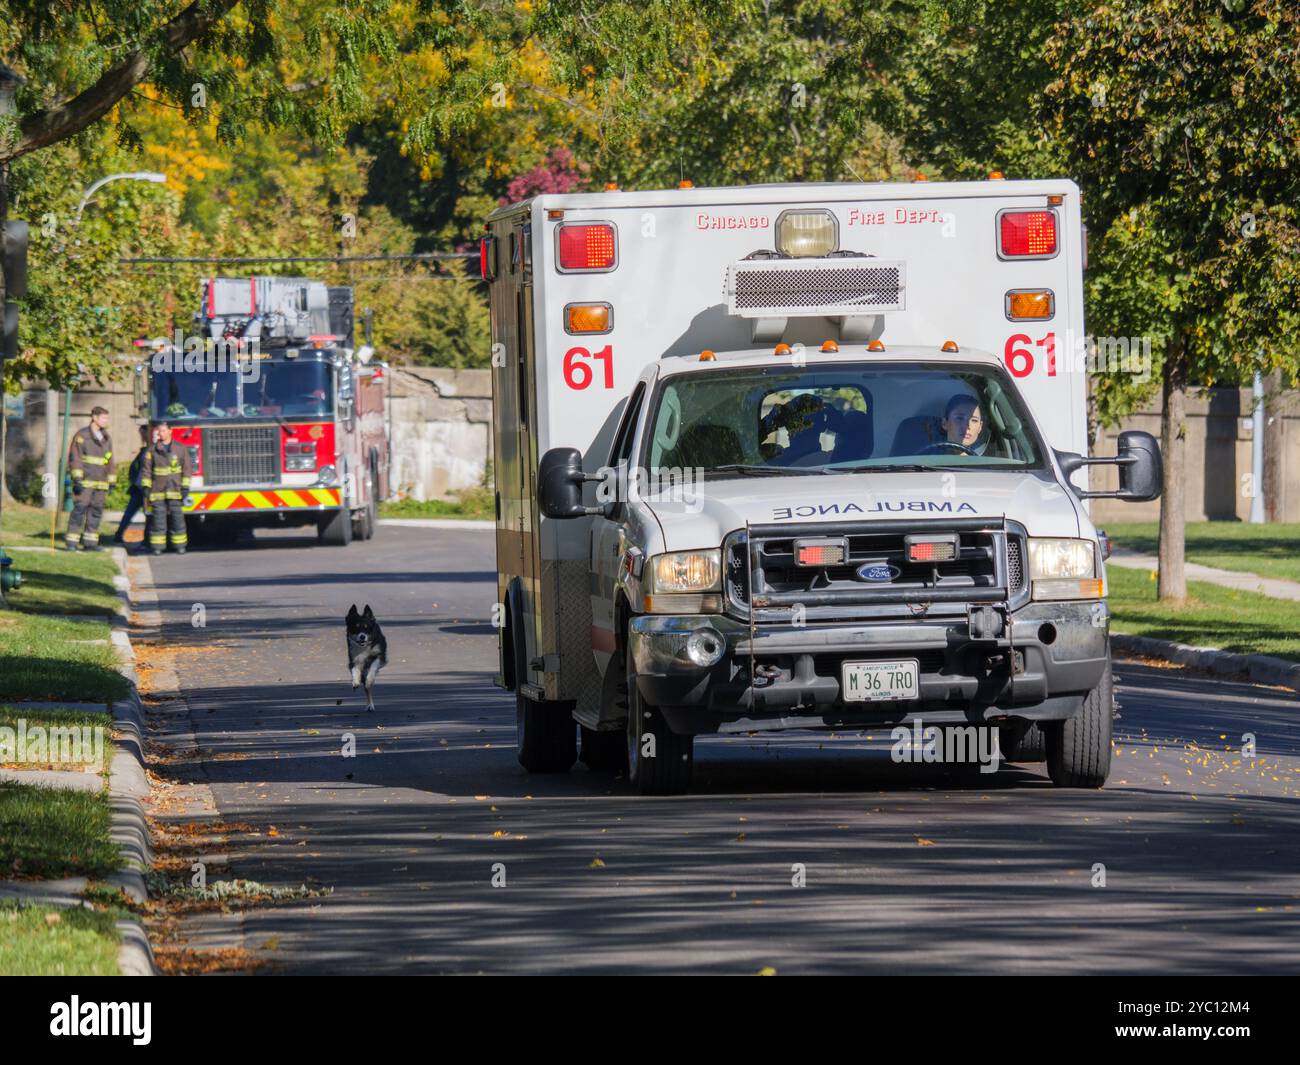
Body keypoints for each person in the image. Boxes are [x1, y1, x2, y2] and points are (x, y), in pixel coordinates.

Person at [65, 406, 115, 551]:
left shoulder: (106, 438)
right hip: (85, 482)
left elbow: (110, 460)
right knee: (79, 510)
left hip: (101, 483)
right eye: (104, 418)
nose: (106, 421)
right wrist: (77, 479)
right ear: (94, 417)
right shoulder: (82, 436)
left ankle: (90, 543)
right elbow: (75, 458)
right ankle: (72, 543)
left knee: (96, 512)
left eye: (107, 418)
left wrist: (111, 481)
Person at [140, 421, 193, 556]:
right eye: (159, 431)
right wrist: (146, 487)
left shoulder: (181, 449)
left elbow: (187, 469)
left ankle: (180, 546)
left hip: (175, 490)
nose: (160, 434)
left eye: (163, 431)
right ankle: (158, 547)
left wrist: (185, 487)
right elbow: (146, 470)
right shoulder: (152, 451)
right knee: (158, 520)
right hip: (157, 491)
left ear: (170, 431)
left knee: (177, 519)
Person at [112, 425, 153, 547]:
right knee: (133, 513)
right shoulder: (145, 450)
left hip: (144, 488)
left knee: (148, 515)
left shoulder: (149, 451)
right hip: (139, 488)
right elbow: (134, 468)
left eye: (142, 433)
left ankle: (145, 540)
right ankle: (119, 535)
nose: (141, 436)